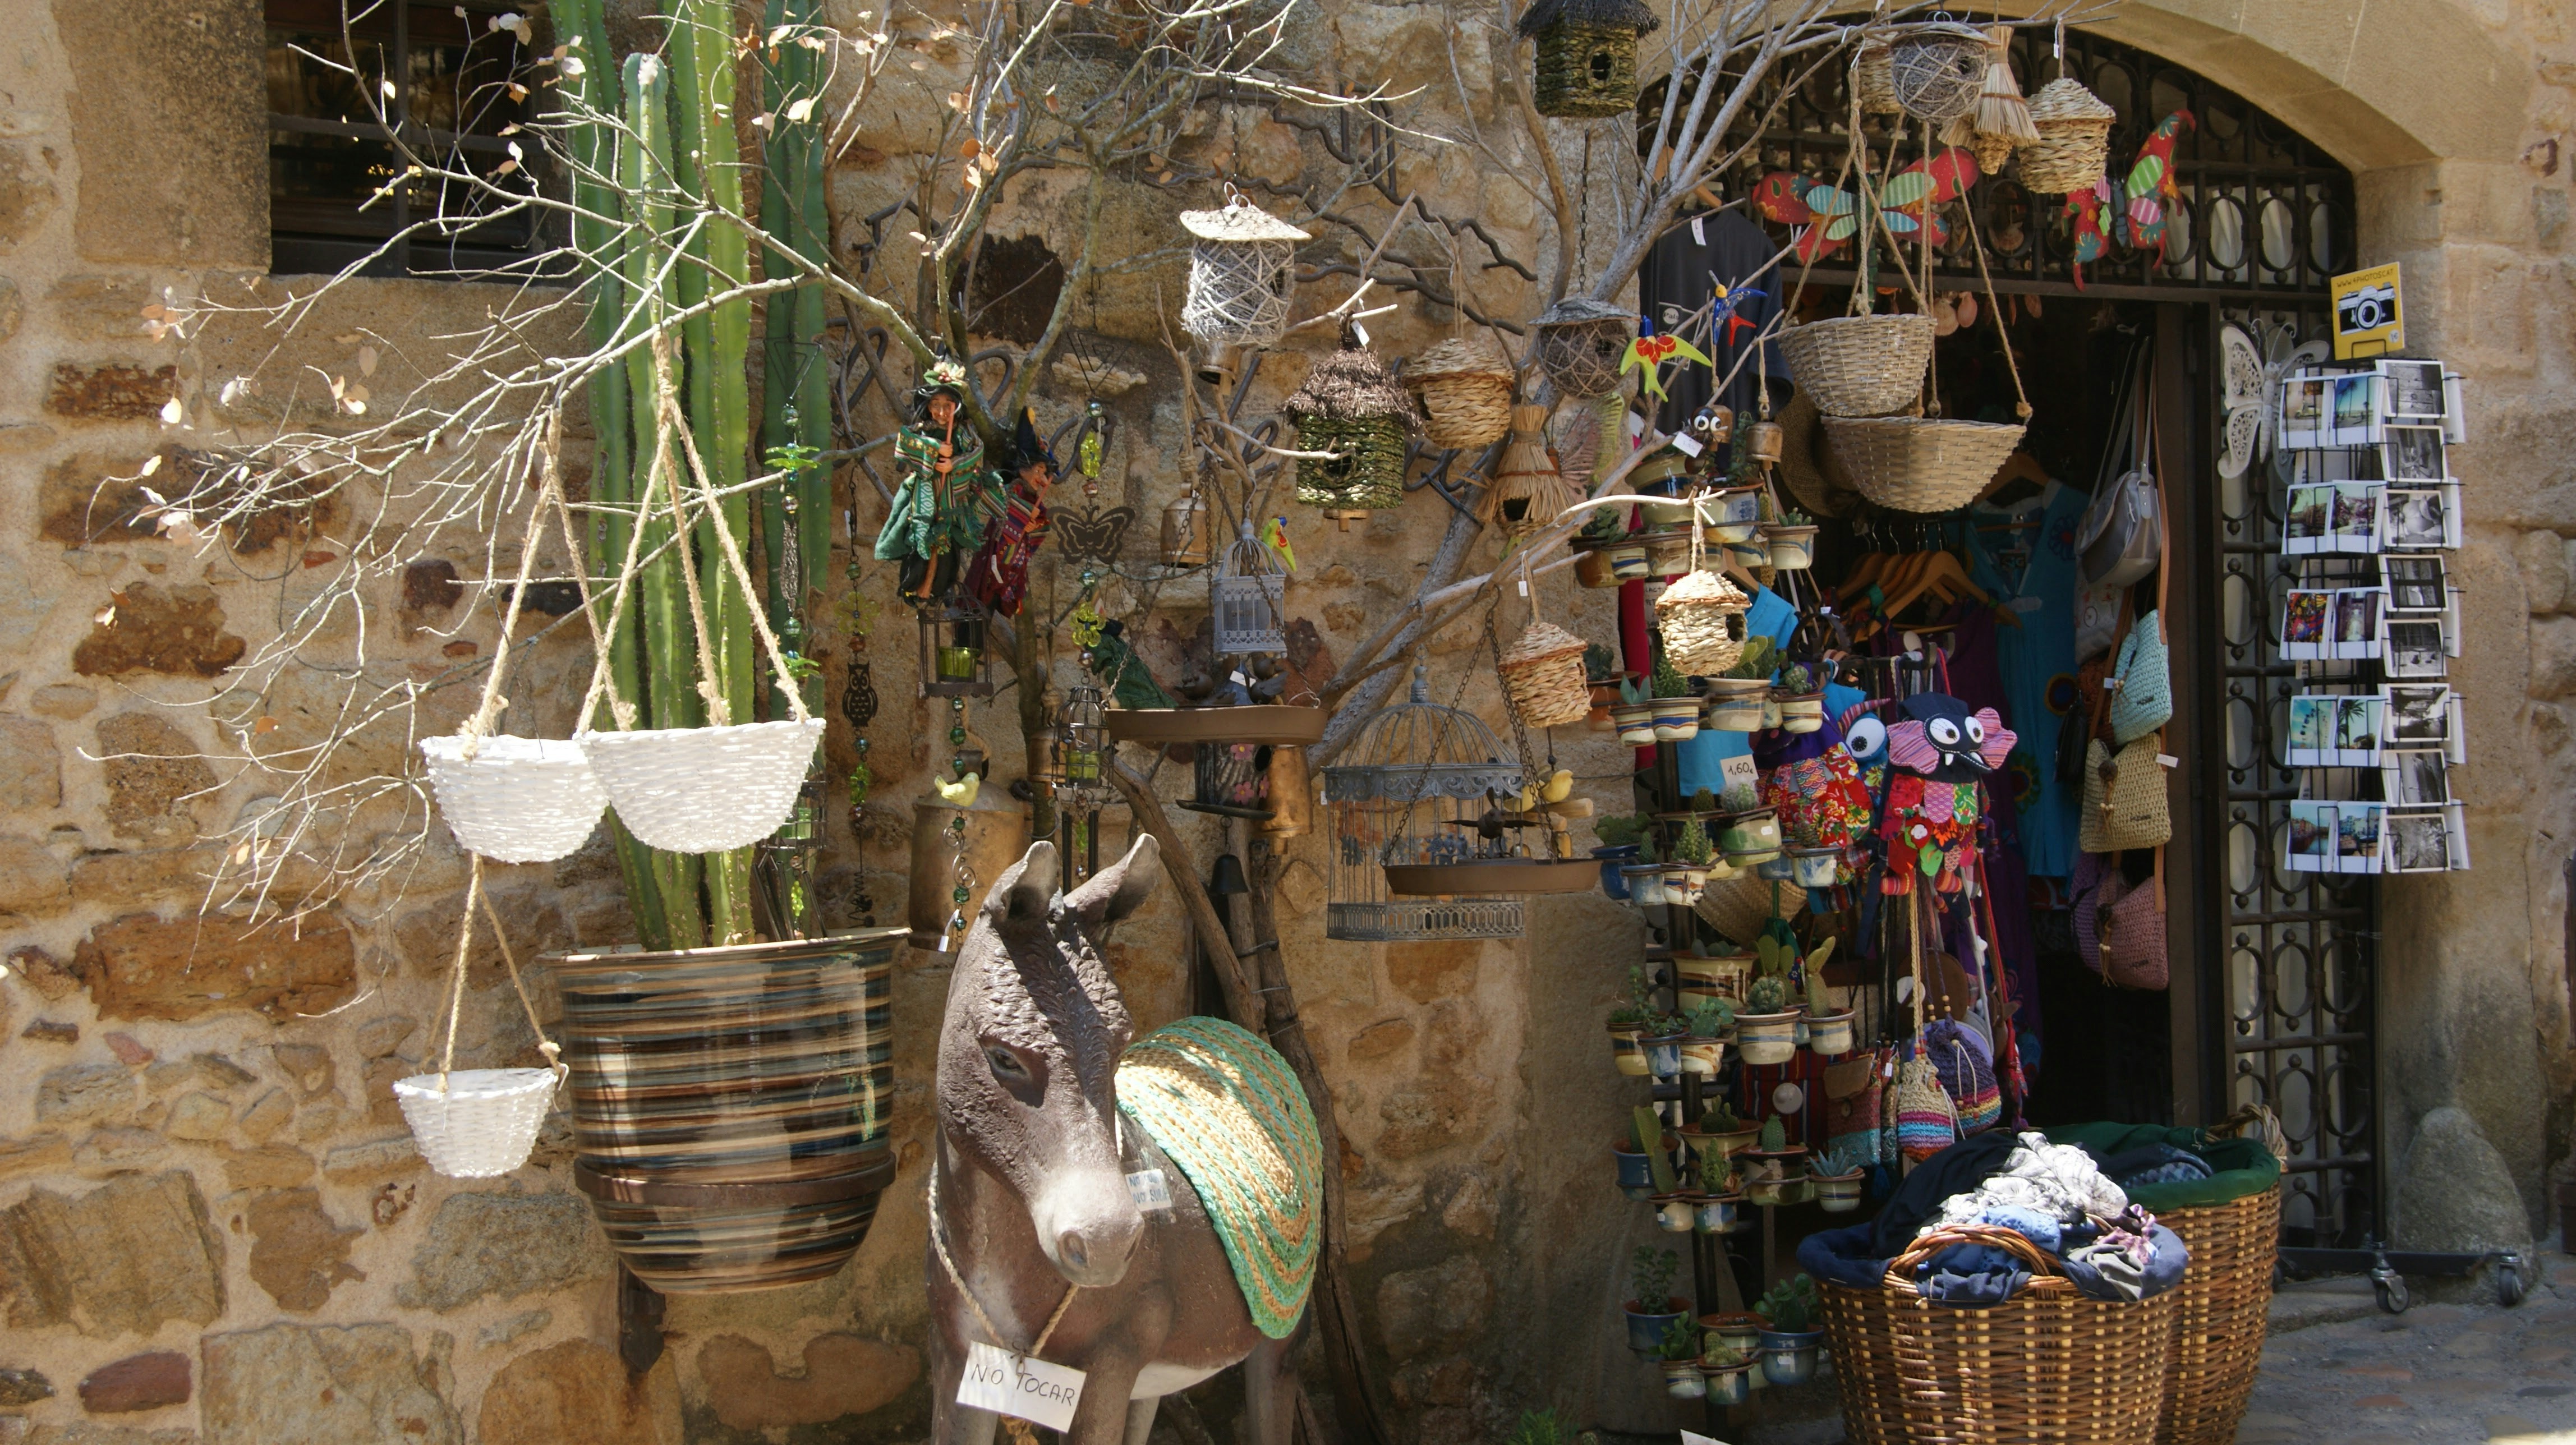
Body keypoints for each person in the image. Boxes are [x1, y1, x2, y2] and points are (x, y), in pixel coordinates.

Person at [874, 356, 997, 600]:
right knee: (919, 540)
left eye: (948, 406)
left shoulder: (963, 434)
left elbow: (977, 452)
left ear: (957, 408)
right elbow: (904, 443)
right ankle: (915, 585)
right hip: (924, 498)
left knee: (947, 547)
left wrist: (954, 463)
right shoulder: (923, 430)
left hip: (951, 500)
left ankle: (937, 588)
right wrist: (934, 449)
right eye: (936, 405)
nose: (941, 412)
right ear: (928, 406)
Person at [965, 408, 1059, 618]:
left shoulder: (1031, 496)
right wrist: (1024, 519)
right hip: (998, 555)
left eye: (1045, 473)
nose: (1042, 479)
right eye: (1039, 471)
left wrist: (1036, 523)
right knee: (984, 593)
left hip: (1015, 560)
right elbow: (1006, 511)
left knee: (1005, 588)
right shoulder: (1012, 490)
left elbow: (1041, 519)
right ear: (1025, 468)